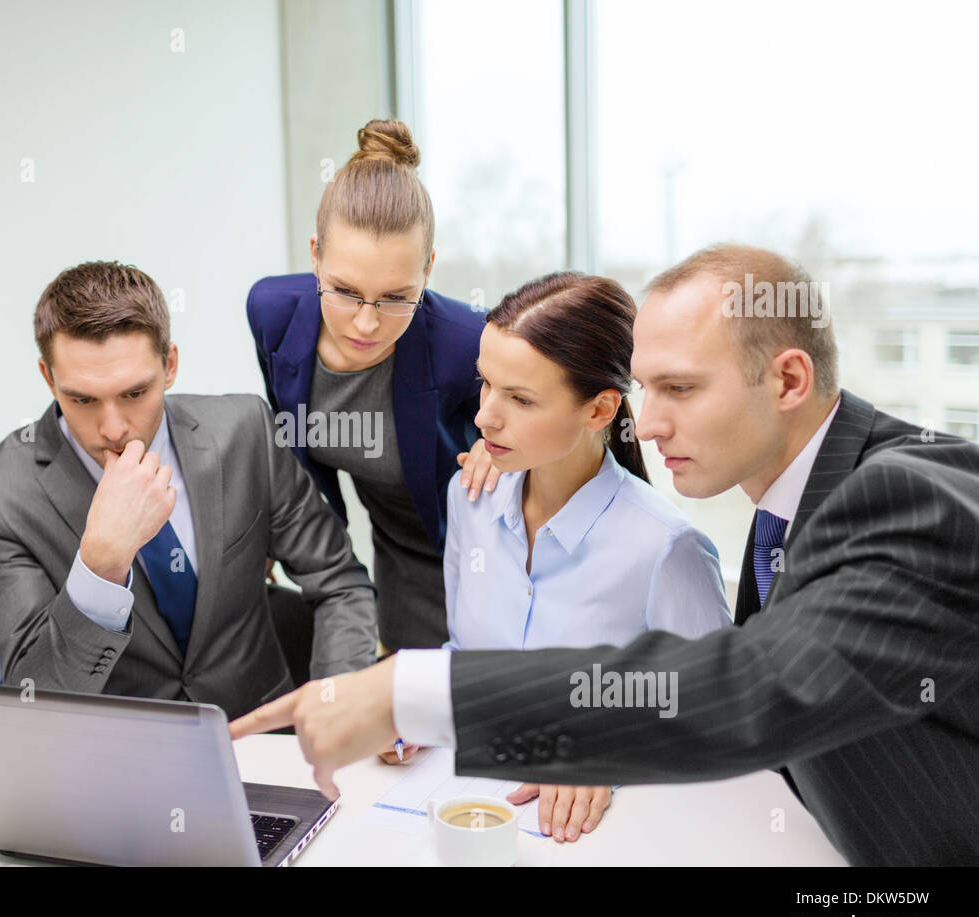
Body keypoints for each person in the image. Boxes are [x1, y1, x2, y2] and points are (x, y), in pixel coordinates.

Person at [231, 244, 979, 867]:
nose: (647, 426)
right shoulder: (785, 513)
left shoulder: (904, 496)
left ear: (787, 379)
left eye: (680, 389)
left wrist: (414, 690)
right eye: (645, 388)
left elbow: (752, 684)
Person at [0, 261, 377, 720]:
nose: (113, 428)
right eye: (82, 399)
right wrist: (101, 565)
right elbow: (32, 699)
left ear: (170, 364)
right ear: (47, 378)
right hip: (122, 764)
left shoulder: (246, 432)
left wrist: (340, 707)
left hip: (266, 740)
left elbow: (340, 584)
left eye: (135, 393)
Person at [443, 272, 731, 840]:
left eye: (521, 399)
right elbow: (465, 654)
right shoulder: (470, 497)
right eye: (486, 384)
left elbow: (717, 714)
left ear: (599, 411)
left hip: (602, 836)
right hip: (465, 806)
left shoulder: (665, 548)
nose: (484, 418)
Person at [247, 119, 492, 662]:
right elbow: (290, 435)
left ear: (428, 269)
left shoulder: (469, 341)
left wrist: (504, 452)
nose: (364, 323)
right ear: (315, 255)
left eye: (395, 297)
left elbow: (550, 424)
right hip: (395, 547)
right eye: (345, 291)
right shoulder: (270, 313)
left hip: (481, 551)